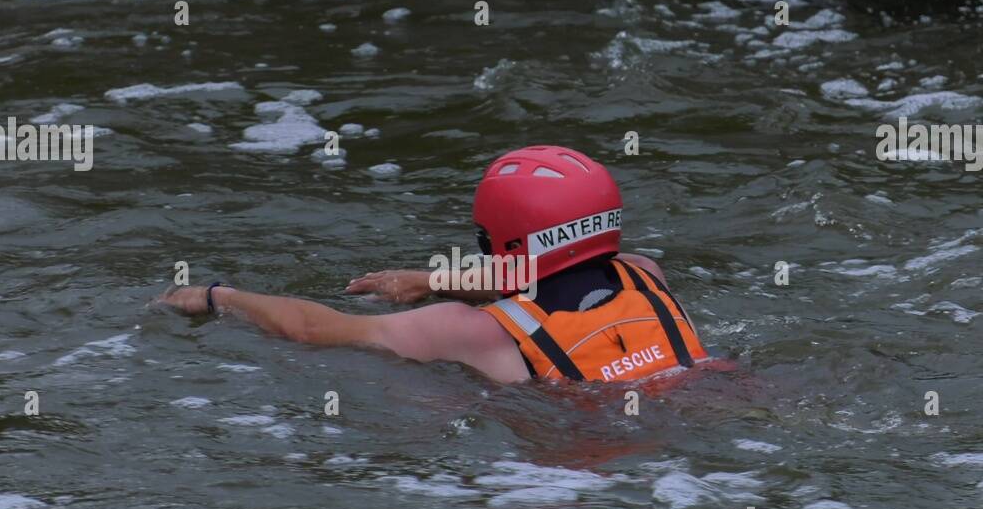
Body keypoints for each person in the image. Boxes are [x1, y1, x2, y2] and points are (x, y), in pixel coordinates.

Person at [157, 145, 710, 384]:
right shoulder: (644, 272)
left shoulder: (470, 332)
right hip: (712, 396)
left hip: (582, 448)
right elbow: (546, 275)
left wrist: (217, 297)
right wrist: (431, 281)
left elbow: (311, 328)